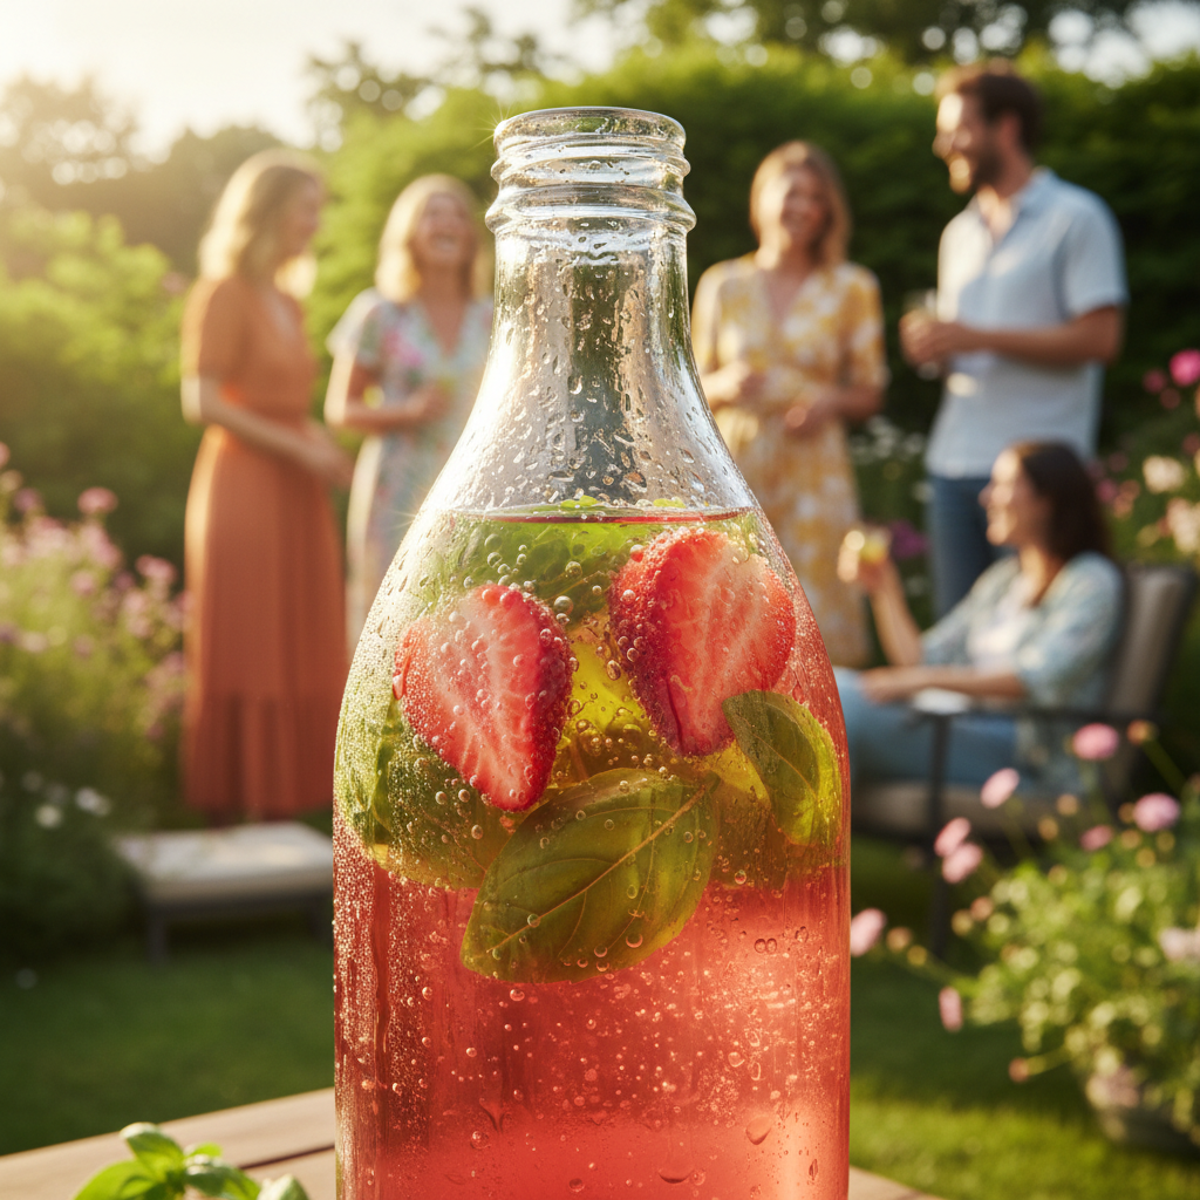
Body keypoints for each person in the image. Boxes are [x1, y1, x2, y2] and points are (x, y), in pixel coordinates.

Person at [901, 62, 1127, 617]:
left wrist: (975, 336)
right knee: (958, 645)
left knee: (1023, 642)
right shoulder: (958, 233)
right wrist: (935, 348)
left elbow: (1101, 338)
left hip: (1035, 481)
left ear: (1006, 128)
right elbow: (969, 352)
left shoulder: (1076, 218)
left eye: (957, 128)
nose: (942, 144)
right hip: (952, 466)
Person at [181, 149, 352, 820]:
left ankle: (291, 803)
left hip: (294, 487)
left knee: (301, 634)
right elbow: (204, 400)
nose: (315, 222)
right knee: (252, 637)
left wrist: (317, 444)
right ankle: (239, 803)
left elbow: (281, 401)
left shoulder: (289, 300)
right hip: (243, 487)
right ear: (271, 210)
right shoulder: (222, 292)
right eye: (307, 208)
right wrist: (296, 448)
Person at [692, 141, 887, 666]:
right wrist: (726, 383)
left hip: (814, 468)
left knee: (815, 603)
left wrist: (829, 401)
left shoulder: (851, 287)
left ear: (829, 212)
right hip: (739, 463)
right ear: (762, 198)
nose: (803, 206)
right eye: (792, 191)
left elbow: (871, 390)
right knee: (733, 596)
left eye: (817, 197)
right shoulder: (723, 283)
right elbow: (686, 389)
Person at [835, 441, 1122, 794]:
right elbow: (920, 659)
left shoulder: (1090, 581)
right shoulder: (1004, 580)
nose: (987, 497)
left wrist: (922, 682)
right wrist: (885, 590)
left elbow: (1034, 679)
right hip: (958, 723)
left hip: (1023, 750)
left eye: (1003, 484)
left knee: (840, 706)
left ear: (1047, 499)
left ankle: (804, 833)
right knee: (827, 687)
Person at [325, 175, 492, 641]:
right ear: (409, 233)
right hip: (396, 488)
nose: (447, 223)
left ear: (471, 236)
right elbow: (340, 410)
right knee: (392, 616)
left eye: (457, 214)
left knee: (467, 612)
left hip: (471, 487)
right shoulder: (379, 312)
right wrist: (405, 411)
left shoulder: (493, 315)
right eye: (432, 213)